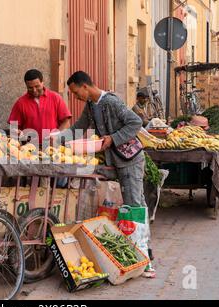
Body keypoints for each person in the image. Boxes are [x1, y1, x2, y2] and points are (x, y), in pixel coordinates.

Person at [58, 71, 155, 277]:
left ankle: (145, 260)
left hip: (130, 160)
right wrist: (57, 138)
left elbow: (135, 122)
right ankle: (143, 251)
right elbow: (79, 127)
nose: (76, 97)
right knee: (135, 204)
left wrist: (113, 138)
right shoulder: (92, 106)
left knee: (134, 205)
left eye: (76, 93)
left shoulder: (111, 102)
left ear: (85, 86)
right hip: (114, 161)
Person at [8, 69, 72, 143]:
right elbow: (13, 128)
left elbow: (66, 122)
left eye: (37, 86)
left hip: (54, 146)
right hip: (29, 148)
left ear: (42, 82)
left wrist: (56, 135)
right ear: (26, 85)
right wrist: (17, 133)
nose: (34, 90)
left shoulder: (55, 98)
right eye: (30, 88)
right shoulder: (20, 103)